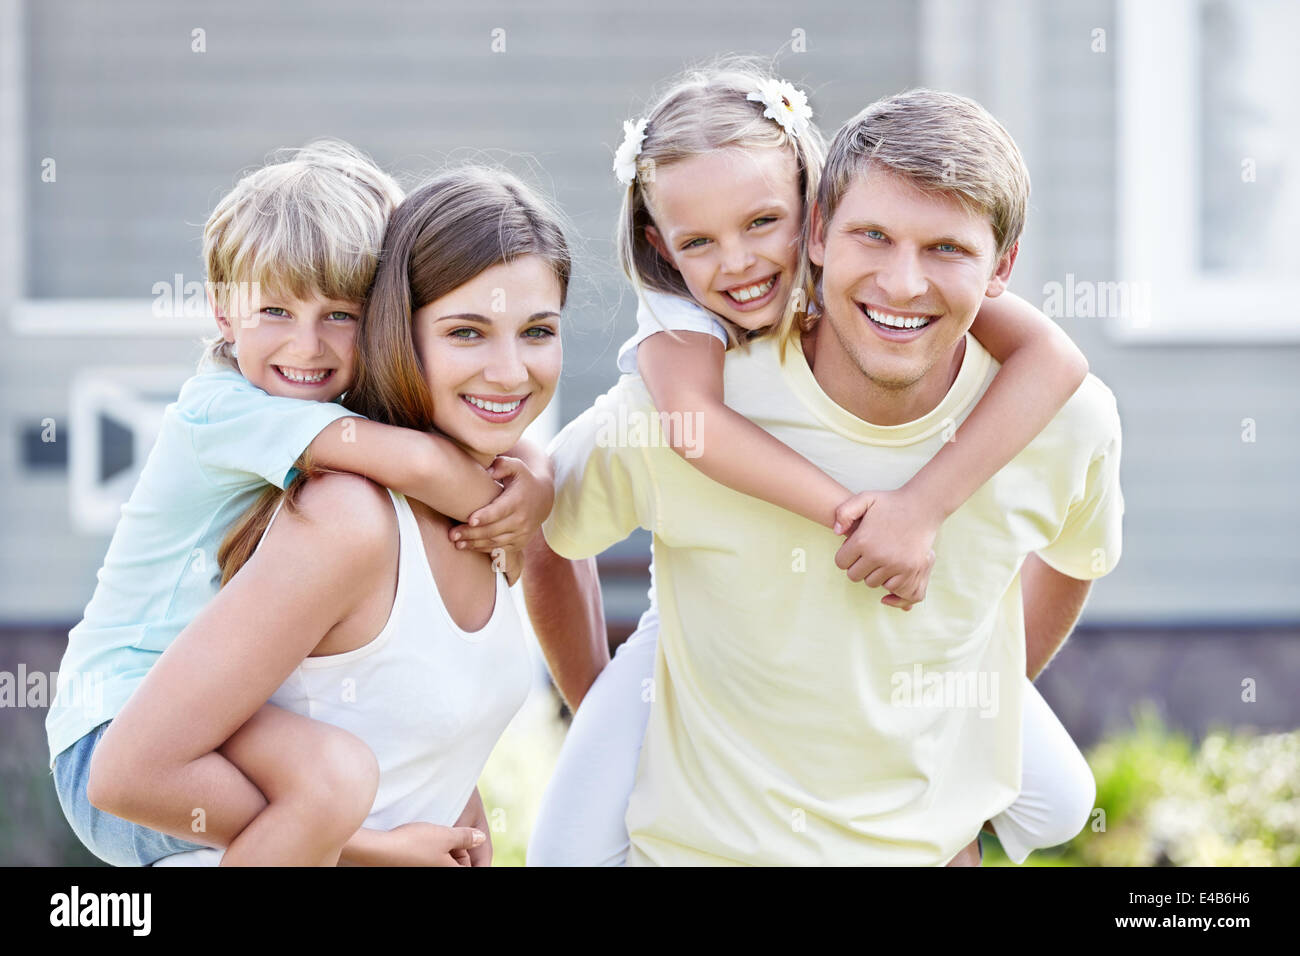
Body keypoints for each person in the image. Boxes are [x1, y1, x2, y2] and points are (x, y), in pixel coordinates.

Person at [525, 87, 1123, 866]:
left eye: (946, 248)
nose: (903, 283)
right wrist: (611, 704)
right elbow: (555, 522)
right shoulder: (677, 381)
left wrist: (958, 737)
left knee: (1061, 803)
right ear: (822, 234)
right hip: (695, 793)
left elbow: (1062, 414)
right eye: (871, 235)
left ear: (1002, 265)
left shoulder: (1063, 415)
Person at [84, 166, 567, 866]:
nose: (308, 347)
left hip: (185, 730)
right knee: (331, 780)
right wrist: (517, 509)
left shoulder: (335, 431)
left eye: (340, 315)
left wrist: (541, 480)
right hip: (116, 720)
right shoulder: (237, 410)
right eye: (275, 311)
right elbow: (429, 466)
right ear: (223, 313)